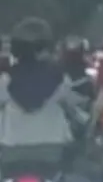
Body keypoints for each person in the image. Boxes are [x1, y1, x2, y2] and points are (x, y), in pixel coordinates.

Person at [0, 18, 86, 161]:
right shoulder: (59, 78)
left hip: (12, 149)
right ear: (47, 47)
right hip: (53, 149)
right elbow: (75, 103)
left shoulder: (6, 79)